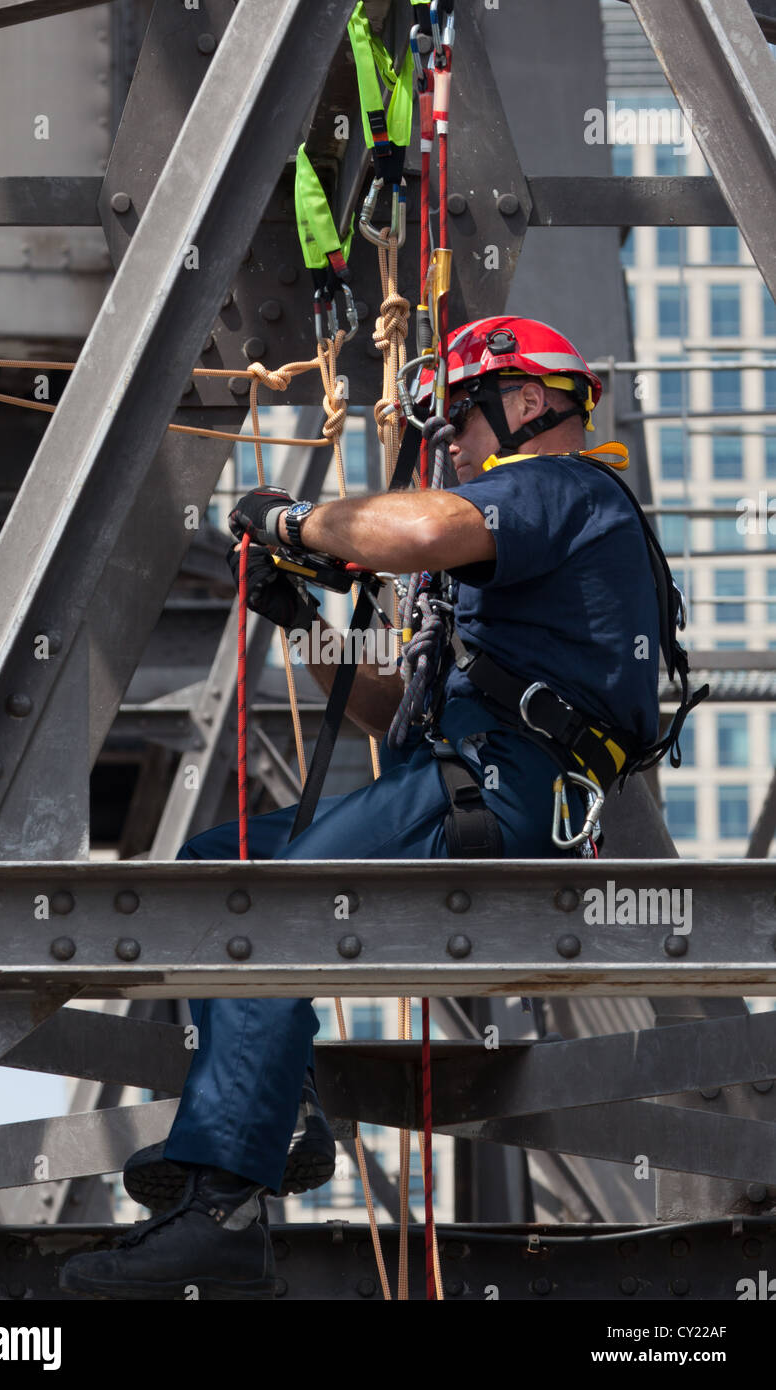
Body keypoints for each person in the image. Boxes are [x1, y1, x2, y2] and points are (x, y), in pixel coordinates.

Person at [59, 315, 664, 1300]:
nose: (453, 452)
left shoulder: (563, 489)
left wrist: (295, 523)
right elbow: (389, 707)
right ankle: (274, 1111)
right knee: (221, 866)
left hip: (501, 792)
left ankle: (220, 1213)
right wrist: (302, 621)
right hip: (464, 780)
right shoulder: (517, 556)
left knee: (273, 905)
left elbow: (416, 528)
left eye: (458, 426)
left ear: (522, 403)